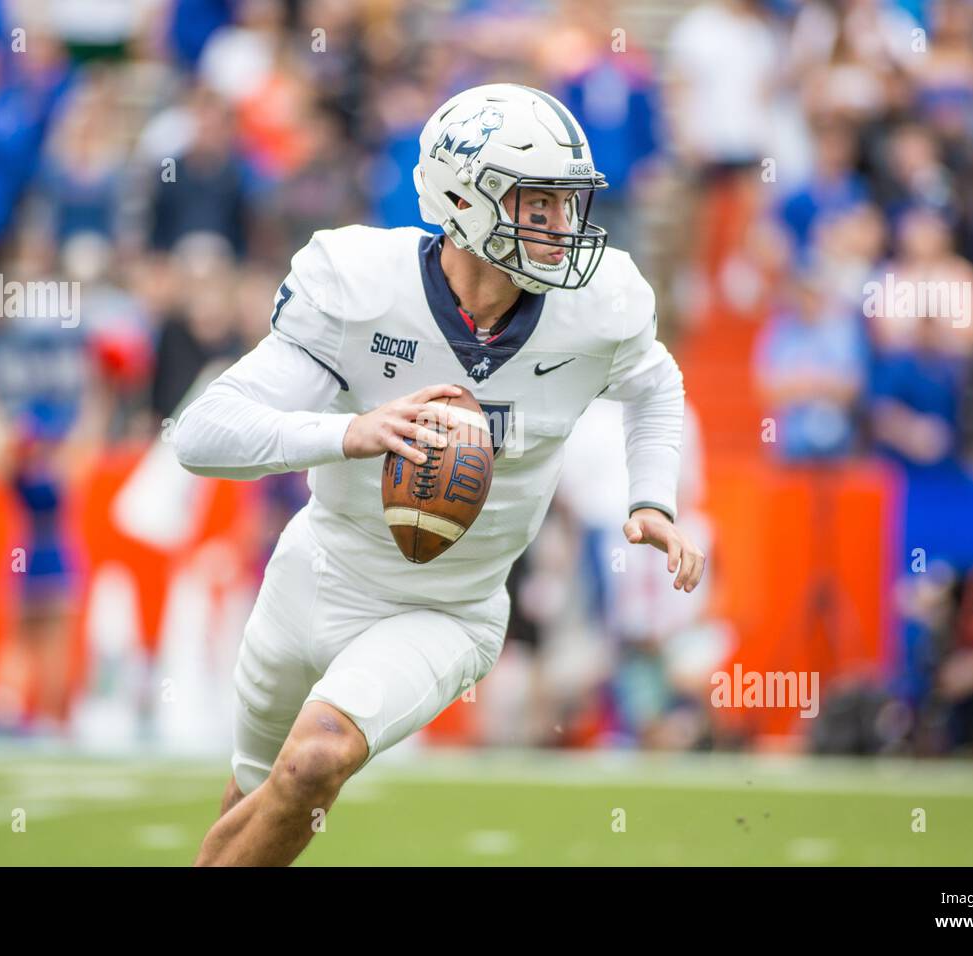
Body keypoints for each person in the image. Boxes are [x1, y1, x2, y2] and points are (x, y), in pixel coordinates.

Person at [173, 84, 703, 866]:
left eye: (568, 203)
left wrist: (652, 496)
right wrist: (349, 432)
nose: (563, 226)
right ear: (462, 199)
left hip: (447, 608)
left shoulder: (598, 306)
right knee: (252, 799)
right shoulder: (361, 286)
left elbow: (656, 386)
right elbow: (201, 434)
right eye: (538, 202)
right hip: (313, 576)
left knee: (315, 760)